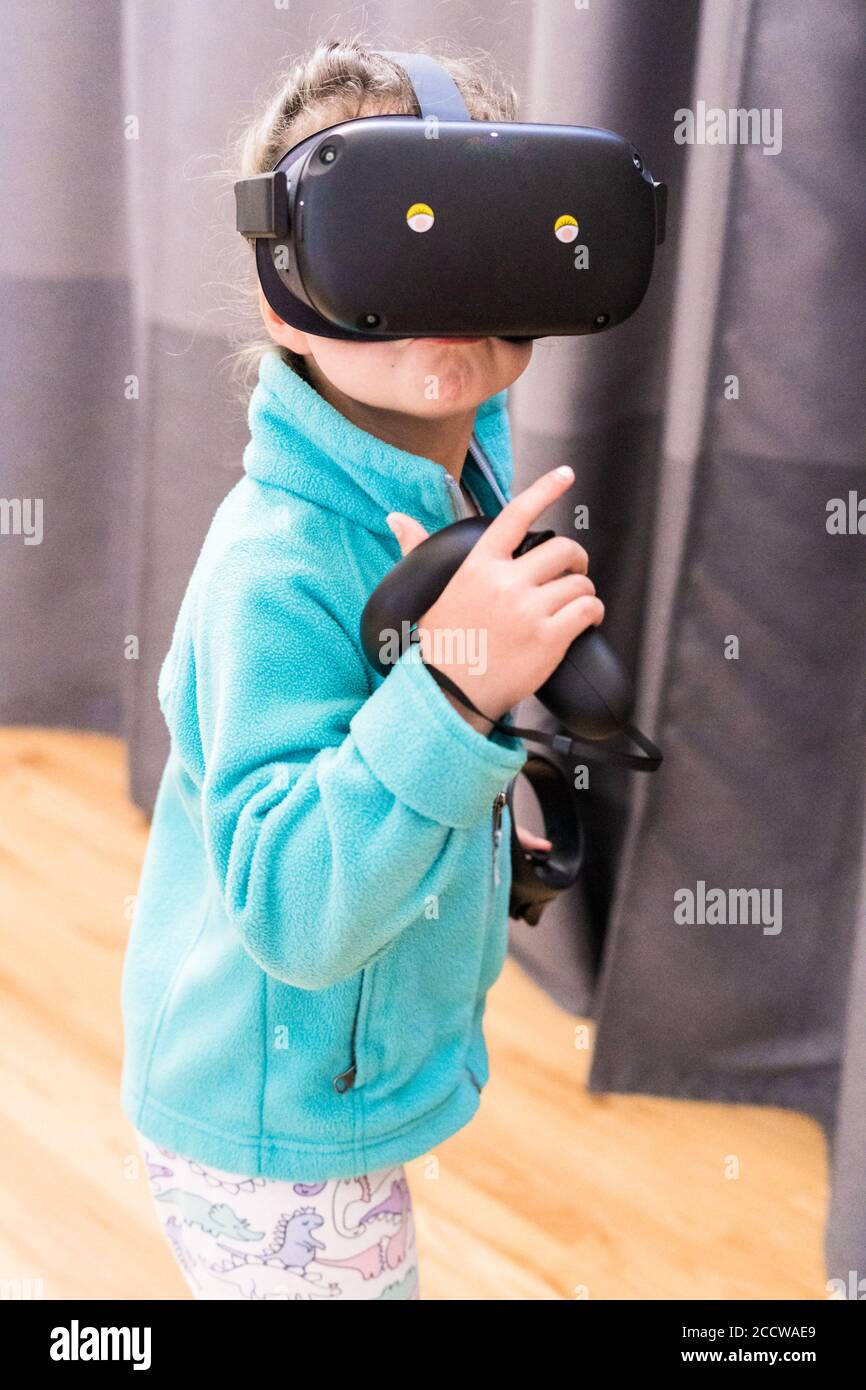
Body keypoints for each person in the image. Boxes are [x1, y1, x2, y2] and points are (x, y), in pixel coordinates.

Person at [120, 38, 603, 1302]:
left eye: (474, 243)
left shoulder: (463, 474)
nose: (437, 296)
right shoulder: (270, 570)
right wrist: (453, 688)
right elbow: (291, 906)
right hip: (268, 1118)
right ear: (287, 286)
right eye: (387, 242)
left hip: (343, 1079)